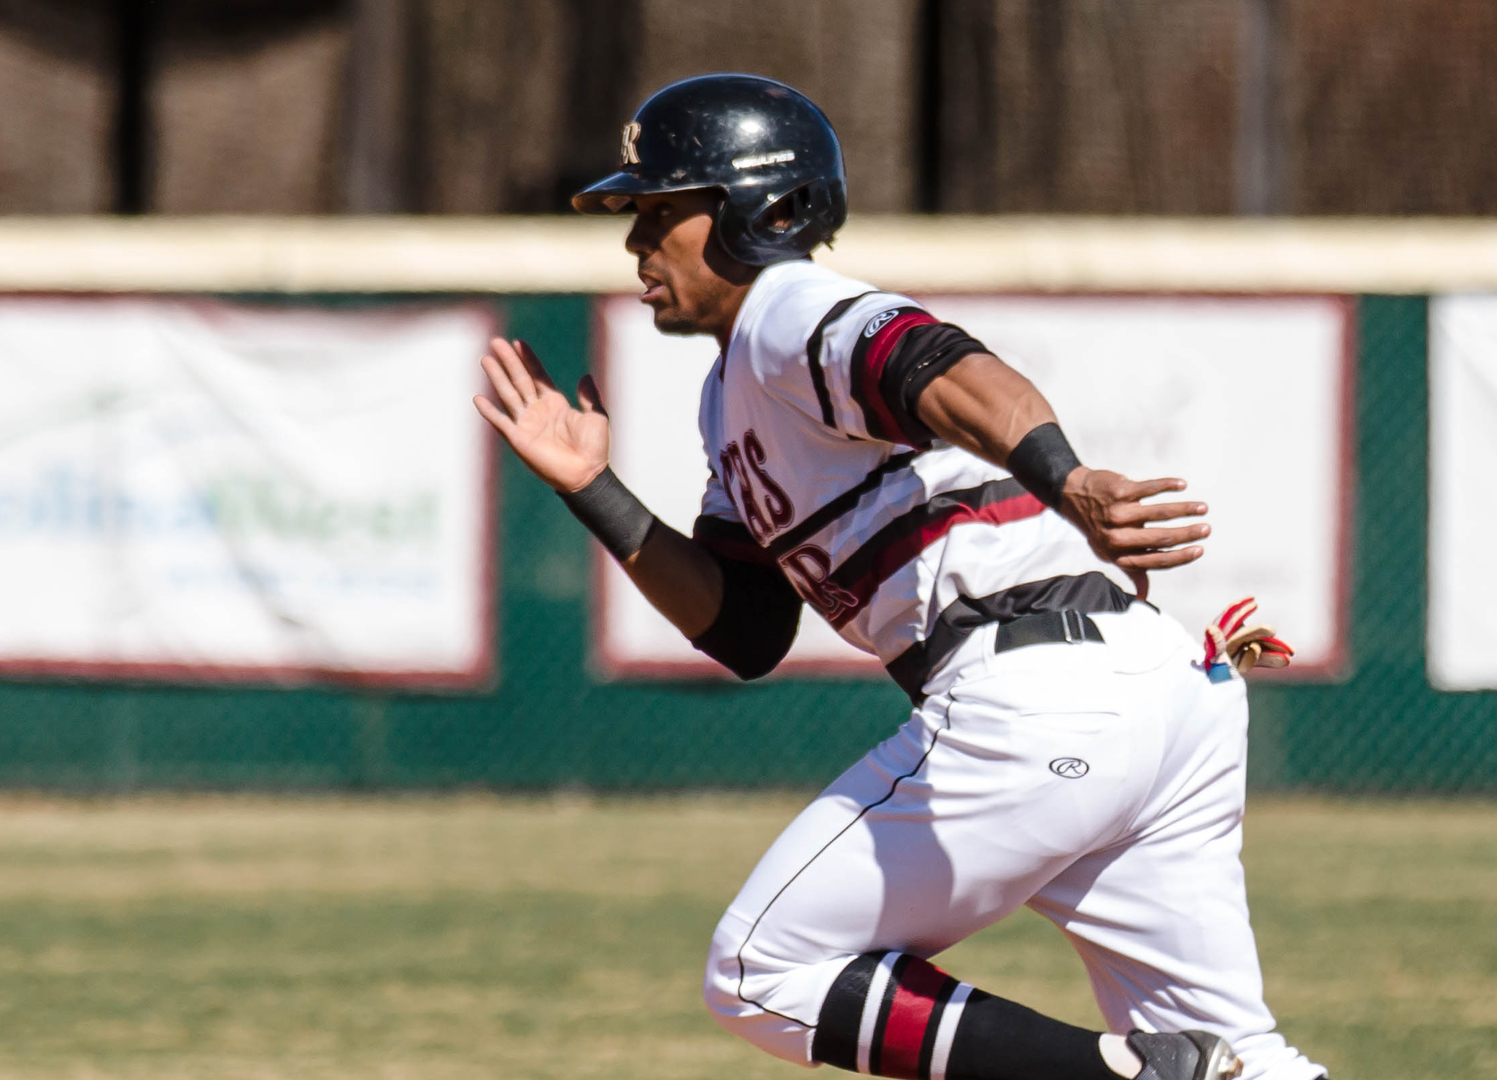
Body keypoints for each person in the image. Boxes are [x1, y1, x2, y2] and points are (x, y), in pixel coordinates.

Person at [474, 73, 1325, 1080]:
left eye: (663, 210)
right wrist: (595, 489)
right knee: (1248, 1062)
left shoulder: (788, 308)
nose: (635, 242)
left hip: (1040, 694)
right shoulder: (731, 391)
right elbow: (747, 628)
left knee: (759, 970)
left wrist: (1068, 477)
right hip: (1155, 693)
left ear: (763, 211)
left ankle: (1126, 1076)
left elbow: (938, 363)